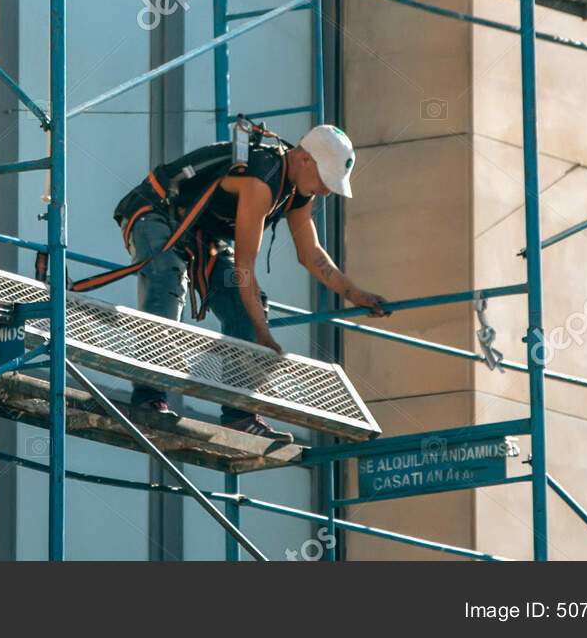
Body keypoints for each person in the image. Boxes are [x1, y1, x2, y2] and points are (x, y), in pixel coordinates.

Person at [91, 122, 388, 441]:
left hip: (200, 228)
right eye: (325, 179)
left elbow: (310, 253)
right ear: (304, 159)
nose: (326, 190)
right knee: (167, 276)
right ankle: (148, 397)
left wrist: (355, 294)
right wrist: (261, 333)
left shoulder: (298, 188)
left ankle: (239, 415)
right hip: (155, 209)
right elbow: (244, 265)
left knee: (246, 304)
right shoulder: (262, 179)